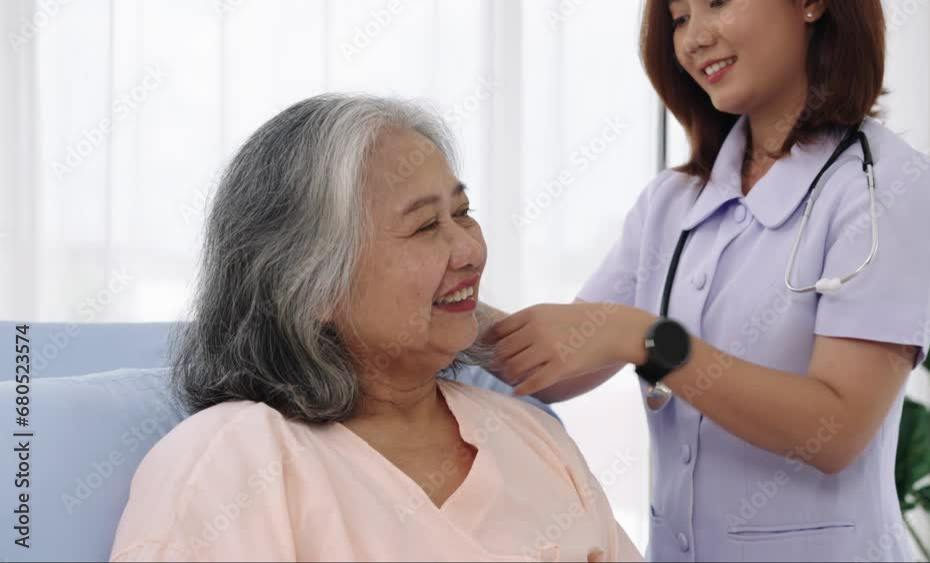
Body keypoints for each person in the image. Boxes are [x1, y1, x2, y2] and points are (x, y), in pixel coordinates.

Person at [485, 1, 930, 561]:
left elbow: (838, 430)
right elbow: (558, 361)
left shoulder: (883, 189)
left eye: (715, 3)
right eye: (679, 17)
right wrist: (427, 309)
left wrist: (649, 340)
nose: (692, 38)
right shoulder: (672, 202)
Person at [109, 94, 642, 562]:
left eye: (464, 212)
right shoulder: (232, 466)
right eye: (426, 226)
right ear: (311, 285)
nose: (471, 250)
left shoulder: (533, 440)